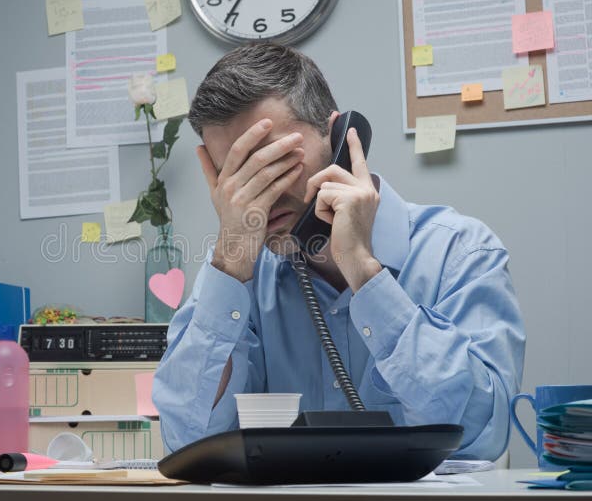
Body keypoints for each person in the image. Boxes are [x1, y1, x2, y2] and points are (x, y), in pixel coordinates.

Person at [152, 43, 525, 461]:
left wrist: (366, 275)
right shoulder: (235, 277)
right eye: (235, 176)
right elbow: (186, 444)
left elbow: (483, 434)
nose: (260, 195)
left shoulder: (460, 253)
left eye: (272, 162)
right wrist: (232, 264)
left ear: (338, 139)